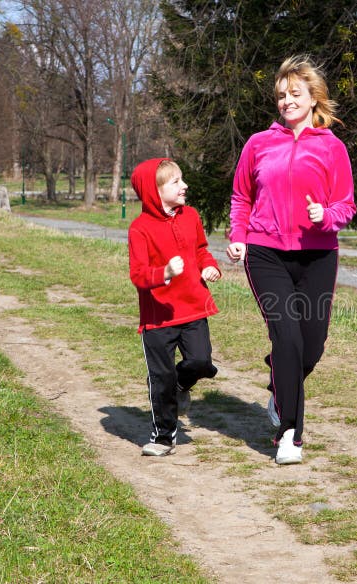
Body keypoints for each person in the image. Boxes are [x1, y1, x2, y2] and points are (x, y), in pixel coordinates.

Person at [226, 55, 356, 465]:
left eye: (294, 94)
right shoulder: (258, 144)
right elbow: (241, 197)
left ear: (314, 98)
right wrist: (238, 238)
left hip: (318, 254)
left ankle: (279, 380)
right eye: (281, 95)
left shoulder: (332, 147)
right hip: (266, 253)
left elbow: (347, 205)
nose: (286, 101)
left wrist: (326, 215)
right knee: (287, 337)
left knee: (310, 347)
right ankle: (289, 435)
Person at [129, 158, 222, 456]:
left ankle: (181, 386)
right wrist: (165, 274)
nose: (184, 186)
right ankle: (163, 438)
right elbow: (138, 275)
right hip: (158, 317)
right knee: (161, 379)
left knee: (202, 363)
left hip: (194, 307)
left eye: (182, 179)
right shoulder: (139, 229)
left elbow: (201, 250)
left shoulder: (190, 215)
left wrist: (210, 268)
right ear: (154, 191)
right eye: (175, 182)